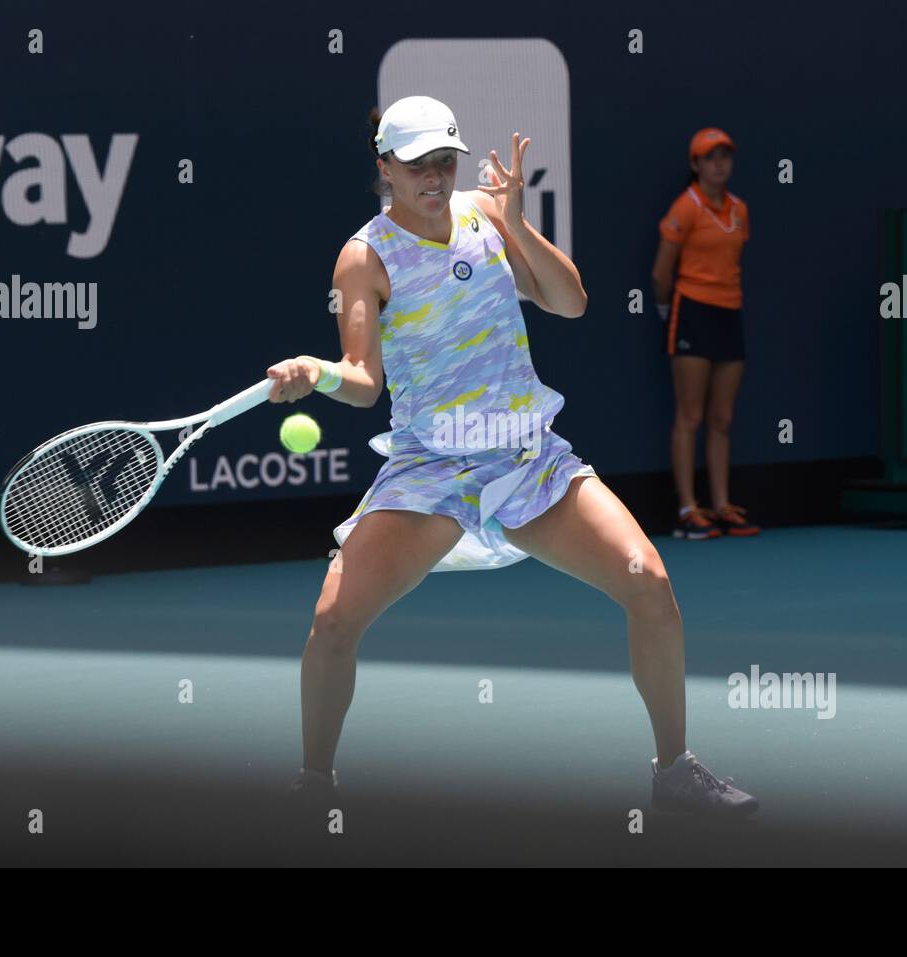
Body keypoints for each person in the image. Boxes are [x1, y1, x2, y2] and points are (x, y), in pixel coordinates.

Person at [267, 96, 758, 816]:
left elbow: (571, 302)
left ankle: (673, 771)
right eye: (417, 165)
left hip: (528, 458)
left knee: (647, 579)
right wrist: (319, 372)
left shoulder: (486, 215)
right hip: (431, 468)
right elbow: (365, 380)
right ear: (385, 169)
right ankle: (314, 785)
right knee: (334, 620)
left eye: (444, 160)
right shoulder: (363, 257)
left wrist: (518, 221)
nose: (434, 177)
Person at [652, 128, 760, 540]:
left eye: (725, 157)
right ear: (696, 166)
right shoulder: (686, 207)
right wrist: (667, 311)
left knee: (722, 418)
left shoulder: (740, 210)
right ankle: (687, 509)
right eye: (710, 158)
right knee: (691, 416)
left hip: (730, 314)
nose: (719, 164)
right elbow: (661, 273)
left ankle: (721, 504)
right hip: (691, 312)